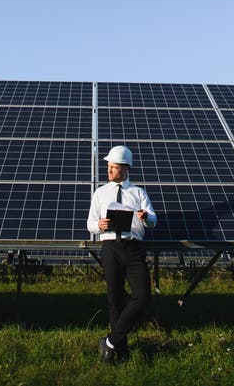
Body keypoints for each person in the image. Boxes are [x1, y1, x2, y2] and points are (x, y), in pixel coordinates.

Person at [87, 145, 157, 363]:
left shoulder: (138, 193)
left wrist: (145, 217)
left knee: (142, 296)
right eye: (109, 167)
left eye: (113, 167)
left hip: (133, 248)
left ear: (125, 169)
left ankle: (110, 340)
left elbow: (153, 221)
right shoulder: (100, 193)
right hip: (110, 247)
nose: (109, 171)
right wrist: (99, 225)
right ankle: (121, 351)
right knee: (115, 299)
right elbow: (90, 223)